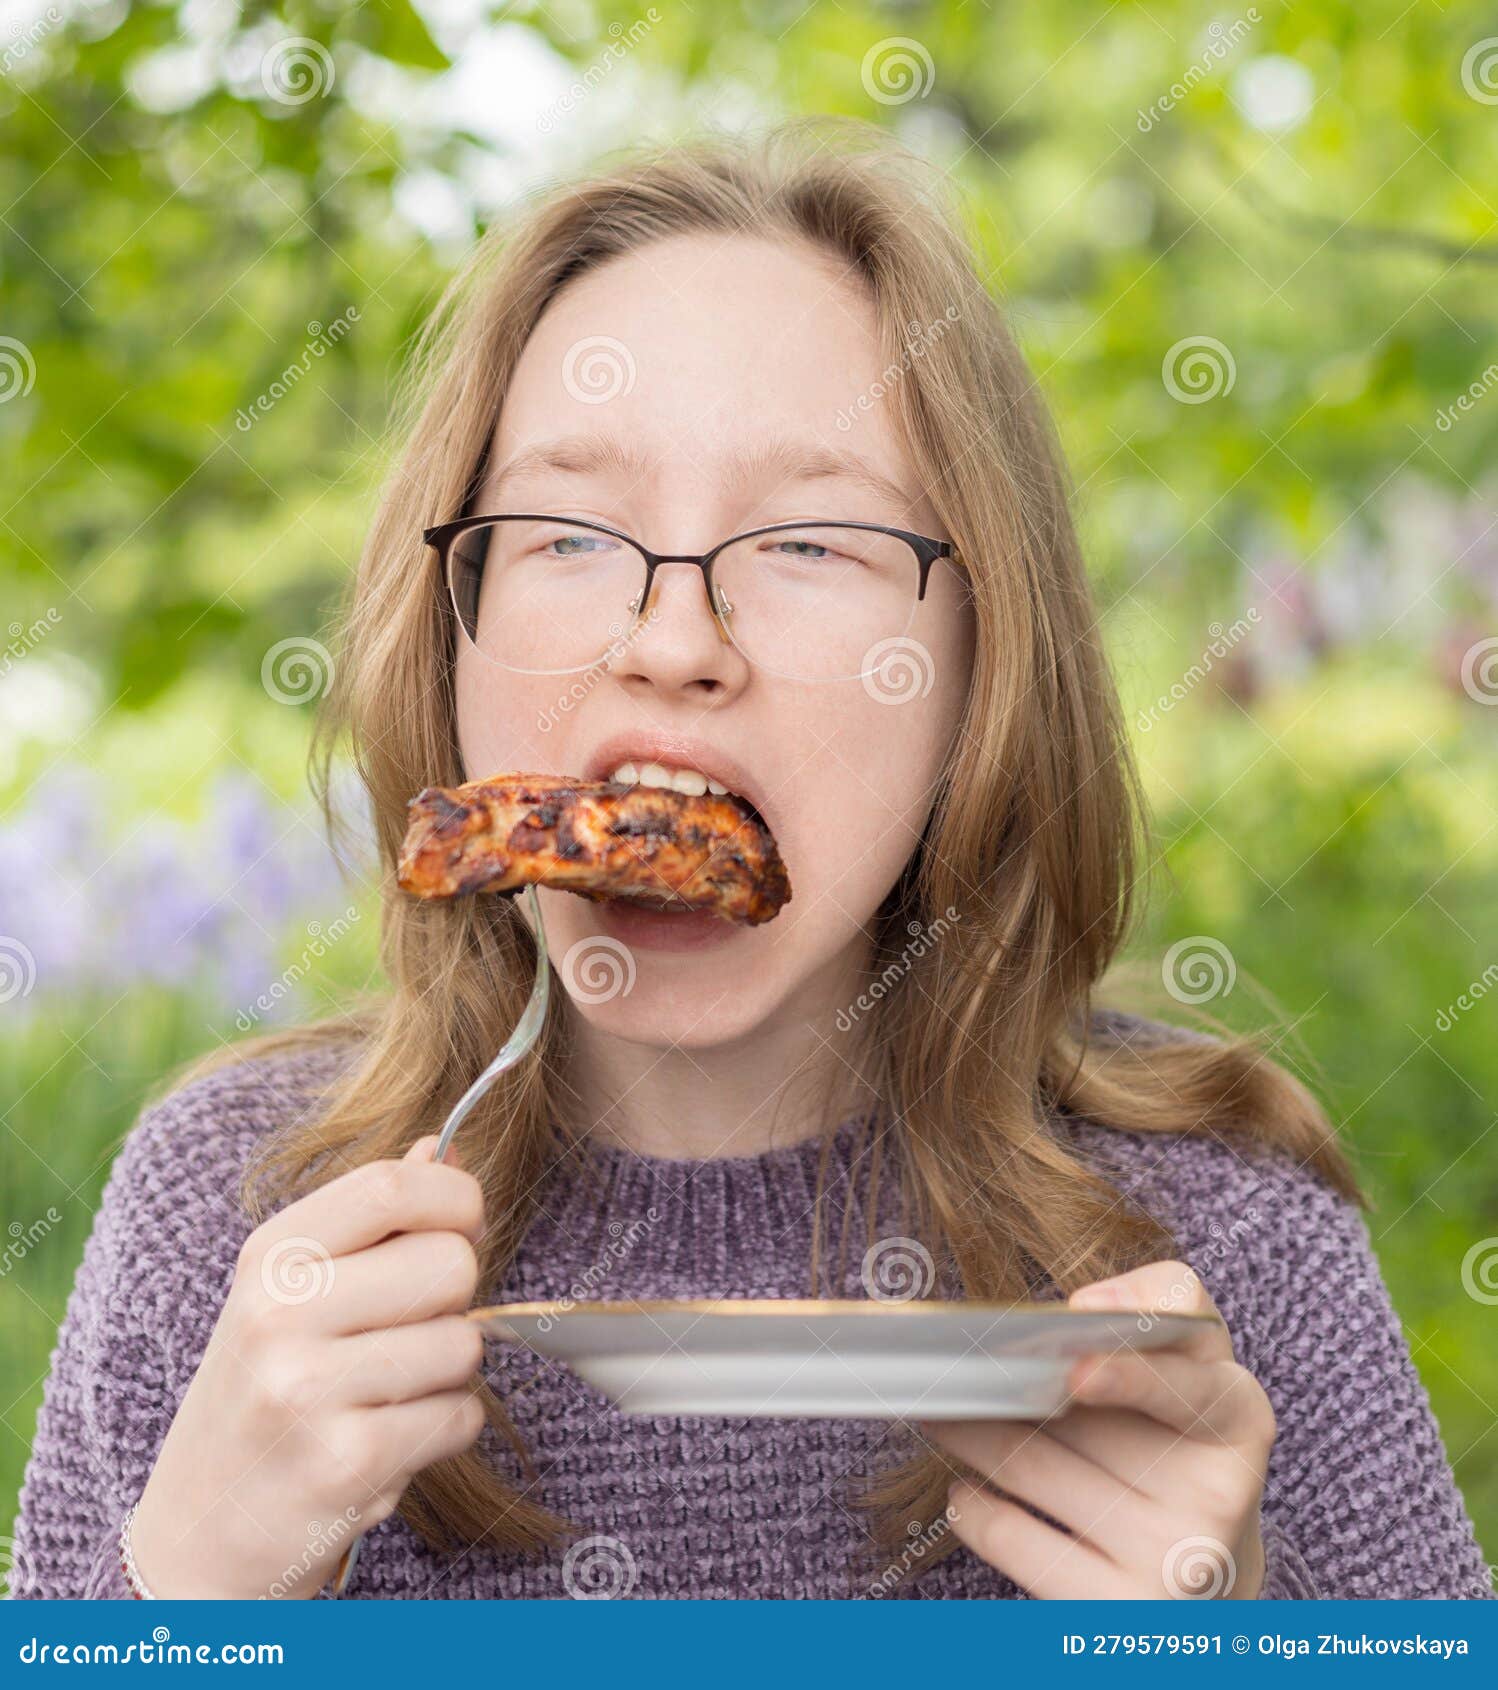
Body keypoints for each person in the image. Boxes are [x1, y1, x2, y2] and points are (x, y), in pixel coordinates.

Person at [12, 118, 1491, 1601]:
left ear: (982, 667)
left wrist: (1236, 1640)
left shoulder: (1222, 1238)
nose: (671, 642)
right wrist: (184, 1597)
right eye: (569, 532)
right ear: (452, 621)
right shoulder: (228, 1213)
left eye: (809, 544)